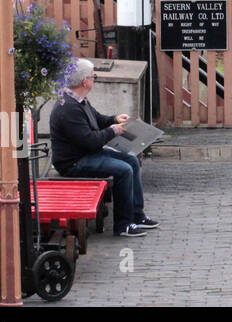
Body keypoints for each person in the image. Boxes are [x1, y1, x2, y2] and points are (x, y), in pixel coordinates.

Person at [50, 59, 158, 238]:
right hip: (74, 161)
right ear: (85, 82)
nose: (94, 79)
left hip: (86, 153)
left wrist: (114, 119)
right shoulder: (68, 108)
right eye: (93, 76)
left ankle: (137, 215)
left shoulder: (78, 99)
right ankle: (123, 225)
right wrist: (113, 130)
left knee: (131, 160)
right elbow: (90, 141)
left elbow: (97, 118)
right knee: (123, 170)